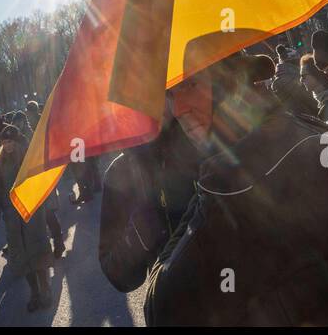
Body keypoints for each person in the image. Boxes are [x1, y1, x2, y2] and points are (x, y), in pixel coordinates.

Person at [141, 37, 328, 326]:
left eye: (190, 85)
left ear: (230, 87)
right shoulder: (298, 126)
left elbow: (159, 308)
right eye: (171, 93)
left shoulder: (235, 183)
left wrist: (202, 191)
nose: (178, 108)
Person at [99, 39, 273, 293]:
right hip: (192, 304)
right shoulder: (126, 171)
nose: (174, 105)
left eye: (186, 83)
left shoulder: (233, 132)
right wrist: (145, 227)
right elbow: (118, 274)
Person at [0, 124, 53, 310]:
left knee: (37, 249)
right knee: (21, 254)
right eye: (5, 142)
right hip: (12, 216)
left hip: (32, 211)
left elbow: (41, 180)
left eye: (10, 141)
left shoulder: (28, 159)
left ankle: (45, 289)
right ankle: (34, 292)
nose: (8, 145)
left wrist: (44, 203)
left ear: (17, 142)